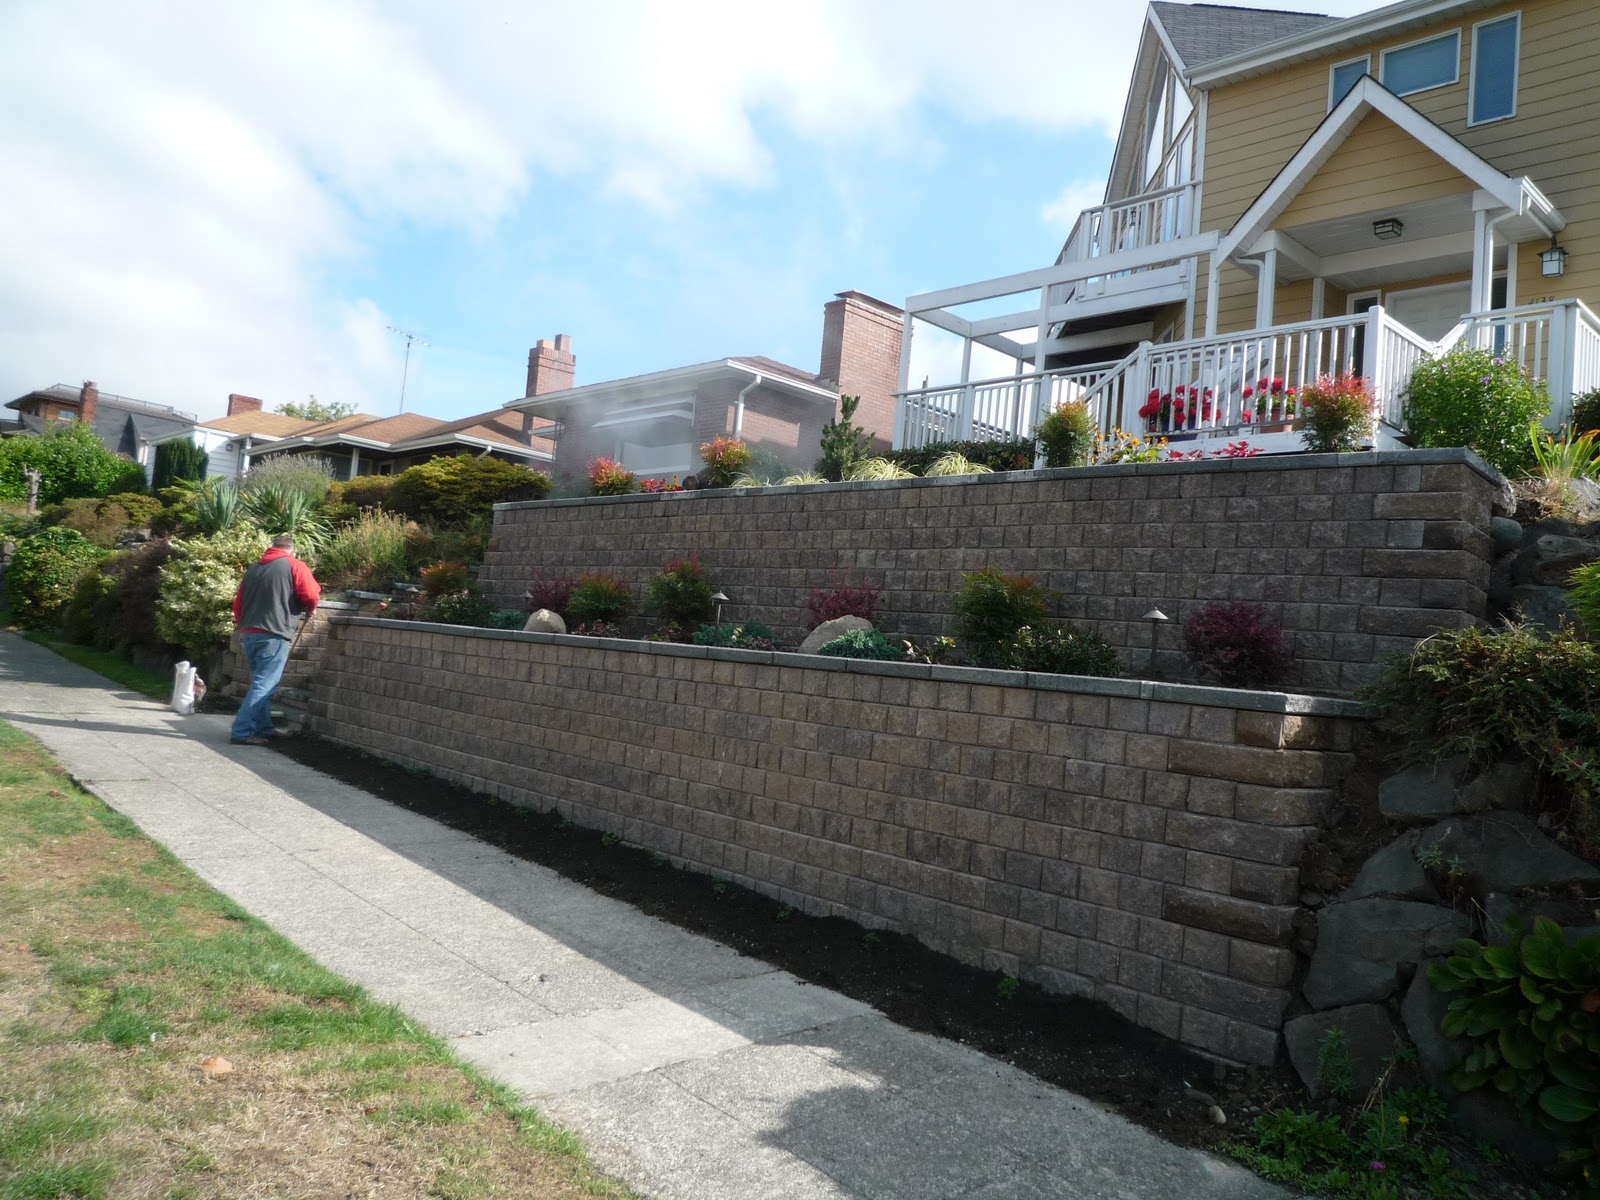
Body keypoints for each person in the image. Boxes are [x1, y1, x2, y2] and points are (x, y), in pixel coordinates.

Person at [230, 533, 320, 745]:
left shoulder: (253, 570)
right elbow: (311, 594)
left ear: (272, 547)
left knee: (260, 682)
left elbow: (238, 604)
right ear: (291, 549)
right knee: (265, 685)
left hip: (250, 634)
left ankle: (264, 729)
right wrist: (312, 607)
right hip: (274, 634)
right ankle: (242, 731)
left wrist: (243, 627)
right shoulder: (294, 565)